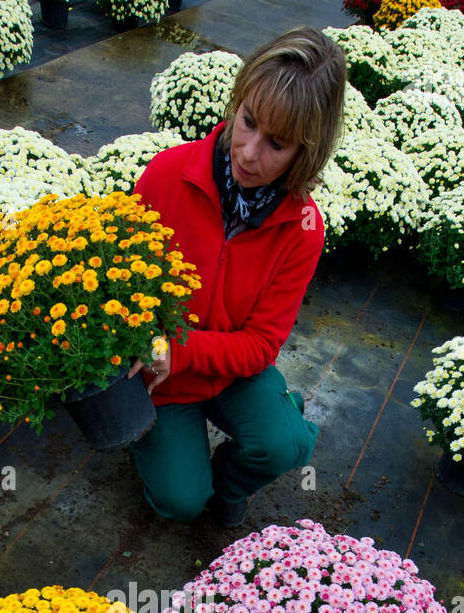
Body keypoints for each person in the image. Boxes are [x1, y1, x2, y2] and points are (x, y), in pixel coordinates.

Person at [127, 27, 346, 527]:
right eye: (247, 122)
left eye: (277, 143)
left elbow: (261, 346)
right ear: (237, 101)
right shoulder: (167, 175)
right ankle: (170, 461)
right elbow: (122, 290)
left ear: (305, 153)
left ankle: (228, 478)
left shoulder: (303, 228)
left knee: (284, 446)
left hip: (230, 373)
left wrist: (180, 350)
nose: (248, 152)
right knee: (180, 501)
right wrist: (151, 348)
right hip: (160, 380)